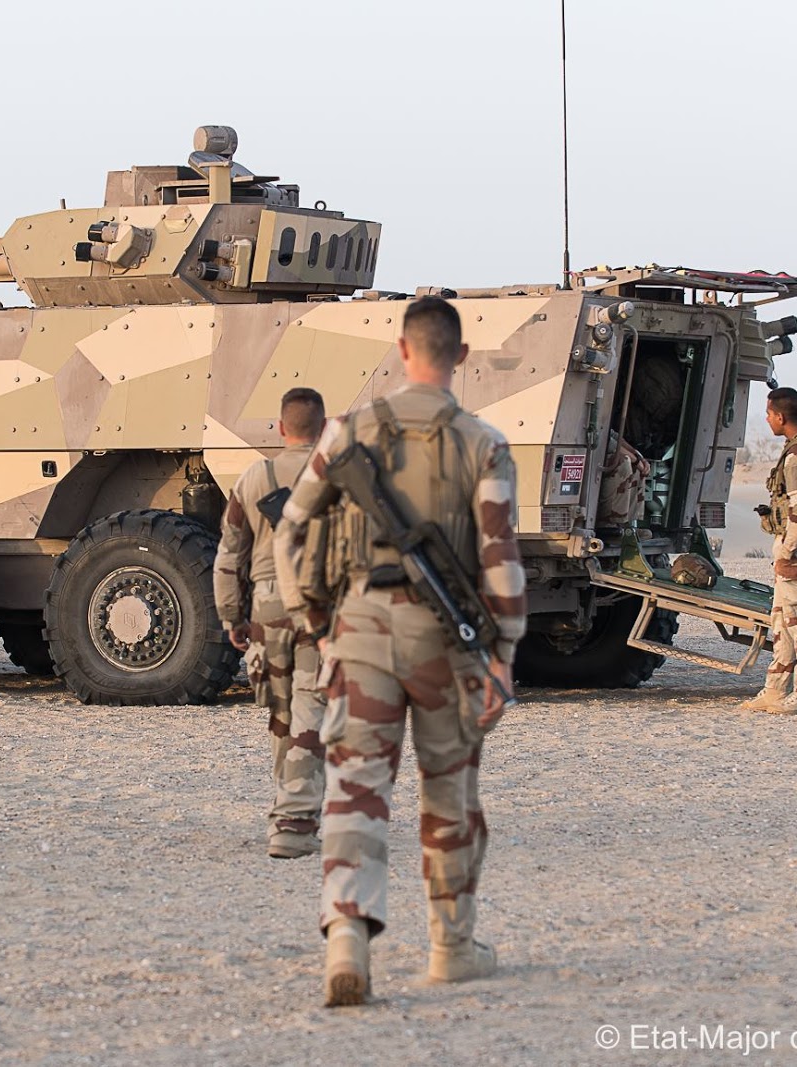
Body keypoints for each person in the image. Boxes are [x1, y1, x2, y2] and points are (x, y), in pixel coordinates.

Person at [272, 296, 527, 1007]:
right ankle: (452, 949)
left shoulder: (346, 432)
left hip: (358, 634)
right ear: (461, 356)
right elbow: (501, 559)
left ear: (401, 348)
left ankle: (348, 937)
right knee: (450, 793)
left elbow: (290, 531)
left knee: (356, 789)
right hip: (447, 645)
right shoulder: (483, 443)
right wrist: (503, 652)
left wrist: (315, 623)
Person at [213, 387, 329, 859]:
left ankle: (290, 804)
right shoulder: (341, 477)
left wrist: (231, 616)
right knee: (311, 710)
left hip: (267, 608)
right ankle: (294, 823)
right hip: (322, 607)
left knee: (282, 715)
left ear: (281, 427)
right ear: (323, 428)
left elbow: (228, 556)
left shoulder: (253, 478)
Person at [742, 386, 797, 714]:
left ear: (780, 416)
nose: (766, 420)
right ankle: (775, 690)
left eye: (768, 414)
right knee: (782, 621)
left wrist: (788, 549)